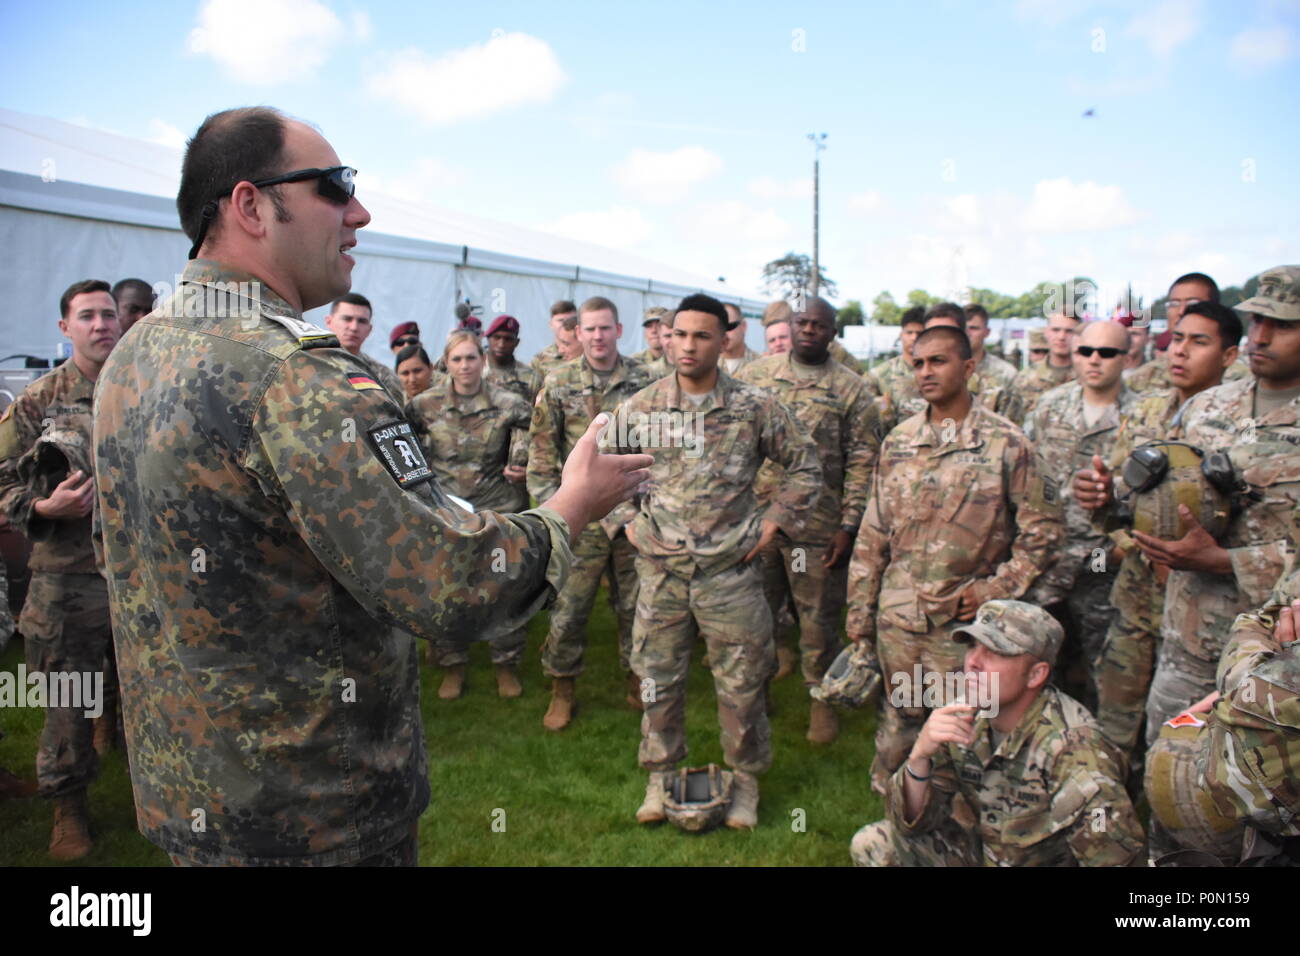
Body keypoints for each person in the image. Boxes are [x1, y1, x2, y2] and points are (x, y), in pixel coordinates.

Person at [92, 106, 651, 867]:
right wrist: (572, 505)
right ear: (250, 205)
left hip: (192, 792)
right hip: (314, 810)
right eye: (333, 186)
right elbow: (450, 581)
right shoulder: (297, 374)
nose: (359, 212)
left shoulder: (137, 352)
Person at [609, 293, 821, 830]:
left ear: (724, 340)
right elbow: (598, 468)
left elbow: (804, 464)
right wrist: (624, 522)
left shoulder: (754, 406)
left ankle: (745, 781)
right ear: (666, 337)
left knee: (744, 683)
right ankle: (659, 776)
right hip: (662, 572)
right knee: (656, 678)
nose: (687, 346)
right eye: (679, 335)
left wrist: (774, 521)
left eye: (701, 336)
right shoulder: (642, 406)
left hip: (731, 573)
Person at [1081, 267, 1300, 753]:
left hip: (1276, 652)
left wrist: (1229, 563)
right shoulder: (1207, 409)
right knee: (1172, 768)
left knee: (1254, 794)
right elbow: (1162, 505)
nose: (1261, 336)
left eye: (1283, 325)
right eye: (1258, 320)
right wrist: (1108, 505)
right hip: (1188, 638)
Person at [845, 326, 1063, 792]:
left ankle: (963, 820)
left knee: (966, 726)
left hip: (965, 628)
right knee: (901, 714)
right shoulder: (899, 441)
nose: (925, 371)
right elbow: (873, 533)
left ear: (968, 368)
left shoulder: (1007, 444)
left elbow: (1043, 531)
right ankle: (896, 807)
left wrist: (995, 590)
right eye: (919, 363)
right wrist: (859, 615)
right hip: (900, 618)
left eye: (938, 361)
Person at [849, 600, 1144, 867]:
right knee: (876, 845)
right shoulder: (964, 713)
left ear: (1036, 674)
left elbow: (1115, 861)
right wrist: (920, 756)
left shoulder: (1074, 749)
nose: (973, 662)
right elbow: (913, 824)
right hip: (988, 854)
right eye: (972, 647)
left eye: (995, 652)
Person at [1076, 302, 1241, 760]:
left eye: (1198, 342)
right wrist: (1101, 500)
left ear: (1229, 356)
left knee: (1190, 741)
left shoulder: (1241, 428)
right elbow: (1119, 509)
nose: (1179, 352)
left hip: (1207, 613)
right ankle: (1109, 815)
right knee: (1115, 721)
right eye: (1176, 339)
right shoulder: (1147, 411)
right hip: (1138, 596)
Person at [0, 278, 121, 859]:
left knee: (151, 686)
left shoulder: (142, 392)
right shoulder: (38, 401)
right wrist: (43, 506)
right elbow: (0, 479)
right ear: (64, 327)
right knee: (67, 698)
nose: (101, 325)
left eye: (109, 315)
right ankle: (68, 808)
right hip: (66, 578)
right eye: (88, 316)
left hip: (139, 573)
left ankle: (153, 782)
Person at [737, 297, 881, 743]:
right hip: (758, 524)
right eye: (802, 323)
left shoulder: (852, 389)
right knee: (754, 615)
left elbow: (862, 462)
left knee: (818, 620)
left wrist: (849, 525)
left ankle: (820, 699)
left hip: (816, 530)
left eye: (820, 325)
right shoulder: (755, 377)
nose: (810, 330)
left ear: (833, 332)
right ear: (790, 326)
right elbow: (731, 444)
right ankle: (755, 696)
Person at [528, 296, 655, 730]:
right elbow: (541, 457)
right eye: (590, 329)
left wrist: (647, 514)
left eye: (606, 328)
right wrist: (555, 519)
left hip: (631, 517)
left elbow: (660, 452)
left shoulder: (645, 380)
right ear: (577, 333)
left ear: (620, 331)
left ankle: (638, 681)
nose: (598, 337)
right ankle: (562, 689)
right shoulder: (558, 382)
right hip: (579, 517)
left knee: (637, 607)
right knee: (568, 609)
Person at [408, 331, 534, 699]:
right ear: (446, 363)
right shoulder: (425, 404)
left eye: (471, 358)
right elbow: (402, 440)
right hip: (447, 510)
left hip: (498, 507)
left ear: (483, 360)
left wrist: (522, 461)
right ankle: (453, 664)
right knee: (451, 589)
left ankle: (505, 664)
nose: (465, 366)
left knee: (503, 586)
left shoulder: (508, 402)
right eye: (457, 359)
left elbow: (537, 429)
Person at [1022, 321, 1138, 710]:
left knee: (1103, 663)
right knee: (1032, 657)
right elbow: (1024, 474)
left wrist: (1121, 548)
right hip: (1050, 554)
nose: (1094, 360)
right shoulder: (1050, 407)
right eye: (1085, 351)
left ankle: (1099, 747)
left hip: (1104, 561)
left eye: (1106, 353)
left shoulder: (1141, 416)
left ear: (1126, 357)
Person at [923, 303, 1022, 422]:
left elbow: (1011, 426)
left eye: (974, 328)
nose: (969, 333)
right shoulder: (925, 374)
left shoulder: (1006, 373)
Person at [324, 291, 404, 402]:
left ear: (369, 329)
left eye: (362, 321)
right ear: (329, 322)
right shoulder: (310, 361)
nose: (354, 327)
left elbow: (395, 415)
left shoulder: (383, 375)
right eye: (347, 319)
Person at [862, 306, 927, 434]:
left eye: (919, 333)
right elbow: (862, 413)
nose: (914, 338)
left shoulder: (937, 372)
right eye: (909, 333)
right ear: (901, 335)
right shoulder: (880, 374)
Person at [1012, 310, 1079, 423]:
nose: (1062, 336)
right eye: (1056, 330)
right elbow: (1012, 424)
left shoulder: (1087, 377)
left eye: (1069, 331)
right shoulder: (1025, 379)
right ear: (1047, 332)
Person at [481, 314, 542, 404]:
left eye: (508, 339)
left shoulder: (531, 378)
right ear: (488, 339)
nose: (501, 344)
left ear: (516, 343)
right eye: (496, 338)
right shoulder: (472, 371)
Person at [531, 299, 580, 380]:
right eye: (560, 320)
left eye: (571, 319)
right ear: (551, 324)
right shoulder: (540, 359)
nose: (566, 323)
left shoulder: (587, 353)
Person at [719, 303, 760, 374]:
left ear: (743, 326)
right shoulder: (707, 365)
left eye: (730, 326)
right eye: (720, 327)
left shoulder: (761, 364)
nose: (724, 333)